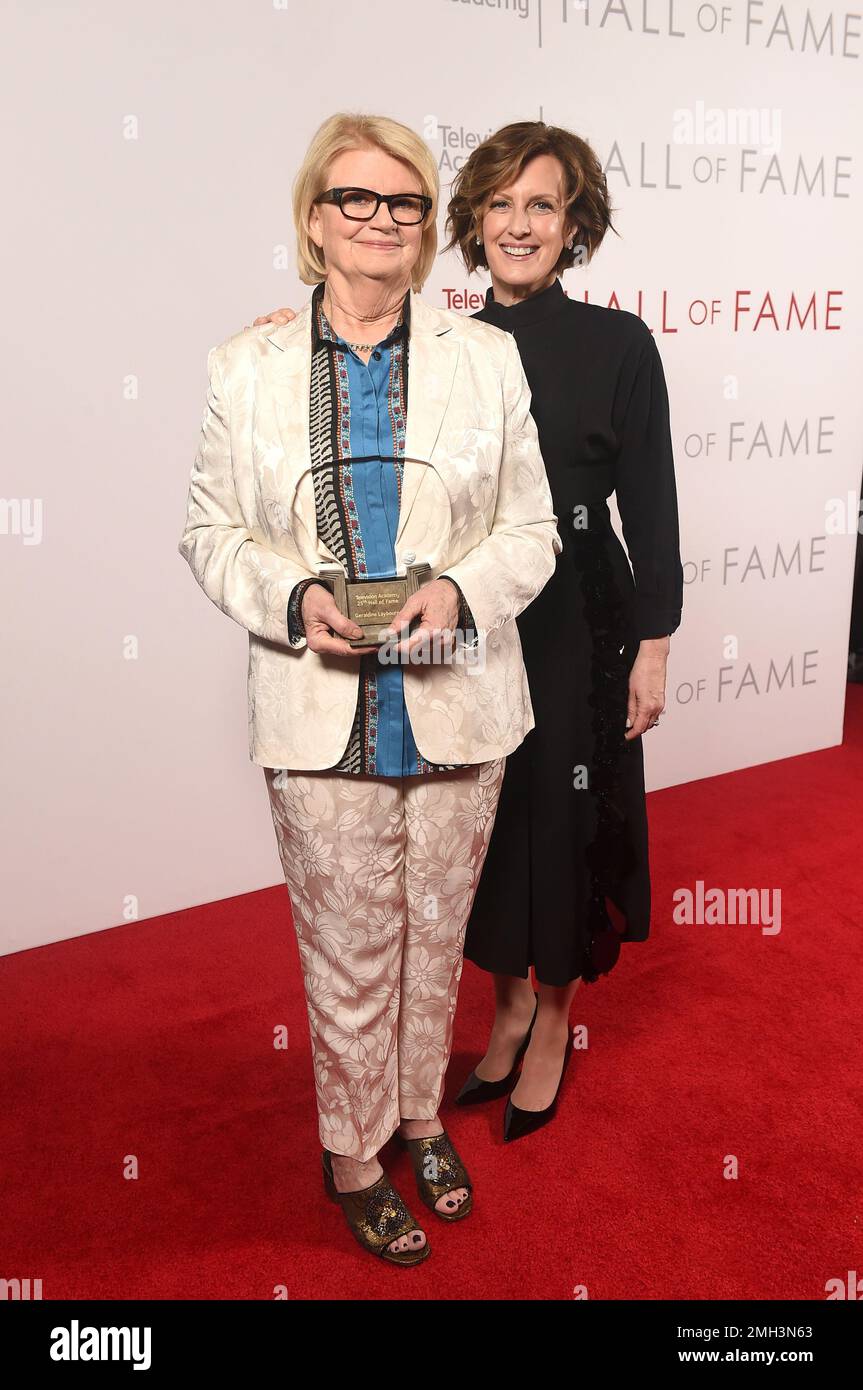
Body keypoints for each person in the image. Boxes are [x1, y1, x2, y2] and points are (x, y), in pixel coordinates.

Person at [253, 118, 684, 1148]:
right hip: (454, 623)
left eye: (542, 205)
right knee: (481, 838)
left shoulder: (618, 344)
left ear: (572, 223)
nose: (519, 224)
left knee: (567, 823)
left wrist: (653, 645)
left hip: (576, 621)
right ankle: (498, 1010)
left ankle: (553, 1020)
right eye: (499, 205)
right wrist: (298, 331)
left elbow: (653, 506)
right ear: (471, 222)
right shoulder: (445, 344)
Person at [178, 112, 561, 1264]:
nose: (382, 221)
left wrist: (458, 589)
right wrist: (293, 600)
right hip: (317, 710)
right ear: (314, 219)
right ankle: (350, 1153)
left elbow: (532, 528)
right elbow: (209, 532)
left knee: (433, 939)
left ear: (421, 226)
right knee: (345, 946)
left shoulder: (485, 358)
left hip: (457, 697)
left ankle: (413, 1116)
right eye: (356, 199)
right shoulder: (242, 366)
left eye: (403, 203)